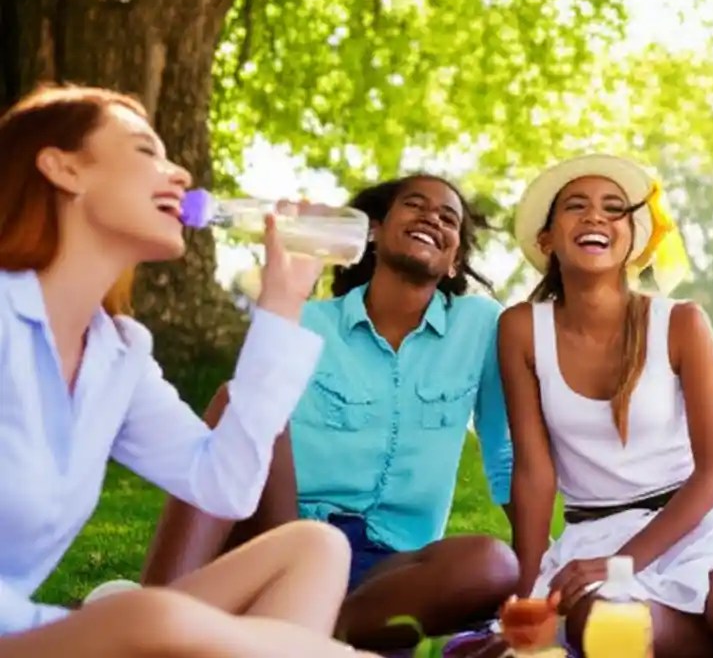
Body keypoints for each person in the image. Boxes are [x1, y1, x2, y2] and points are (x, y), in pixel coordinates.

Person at [0, 85, 371, 656]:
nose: (178, 173)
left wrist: (282, 307)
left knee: (313, 550)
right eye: (146, 151)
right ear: (63, 168)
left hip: (34, 632)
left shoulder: (118, 354)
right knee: (147, 618)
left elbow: (225, 486)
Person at [142, 174, 519, 651]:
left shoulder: (481, 325)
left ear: (453, 262)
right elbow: (247, 435)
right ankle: (151, 618)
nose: (431, 218)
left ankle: (278, 634)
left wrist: (541, 566)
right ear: (374, 232)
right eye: (415, 205)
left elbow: (502, 450)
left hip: (391, 569)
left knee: (492, 564)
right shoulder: (307, 320)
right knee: (240, 399)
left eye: (449, 218)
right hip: (284, 538)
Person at [498, 154, 713, 656]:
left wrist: (624, 562)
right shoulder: (521, 329)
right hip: (595, 533)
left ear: (634, 239)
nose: (595, 217)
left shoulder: (683, 323)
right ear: (547, 239)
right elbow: (534, 473)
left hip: (703, 520)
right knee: (604, 627)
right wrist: (525, 590)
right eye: (575, 206)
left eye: (613, 208)